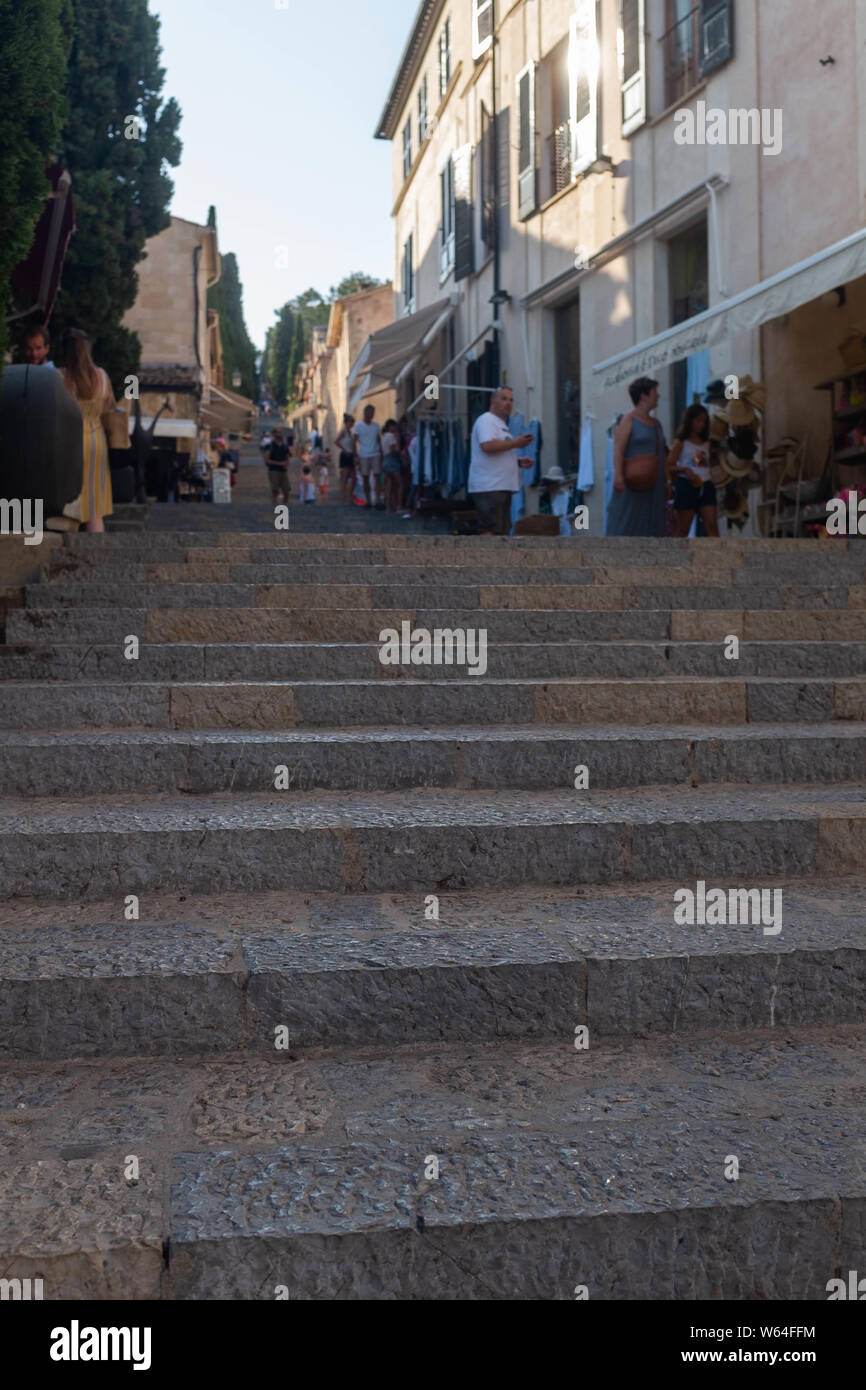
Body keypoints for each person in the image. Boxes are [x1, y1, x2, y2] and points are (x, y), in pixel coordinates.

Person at [58, 328, 114, 533]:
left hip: (70, 442)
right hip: (97, 442)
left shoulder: (60, 377)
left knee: (69, 503)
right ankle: (98, 553)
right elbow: (109, 408)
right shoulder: (102, 376)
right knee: (94, 507)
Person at [467, 385, 535, 535]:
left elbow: (497, 451)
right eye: (503, 399)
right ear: (493, 401)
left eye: (511, 400)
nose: (508, 403)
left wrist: (517, 462)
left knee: (501, 531)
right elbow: (487, 445)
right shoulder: (486, 420)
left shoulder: (501, 424)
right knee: (490, 530)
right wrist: (516, 443)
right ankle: (487, 558)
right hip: (489, 486)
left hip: (501, 486)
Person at [607, 377, 667, 538]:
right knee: (628, 521)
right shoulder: (628, 420)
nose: (658, 396)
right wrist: (618, 476)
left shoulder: (657, 424)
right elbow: (618, 449)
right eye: (655, 392)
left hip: (655, 483)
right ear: (644, 396)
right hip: (633, 482)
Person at [666, 404, 719, 538]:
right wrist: (684, 470)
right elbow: (668, 465)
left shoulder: (707, 443)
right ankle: (675, 556)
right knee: (683, 529)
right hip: (686, 485)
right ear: (690, 421)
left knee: (711, 525)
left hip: (706, 485)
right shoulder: (681, 442)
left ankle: (720, 555)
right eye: (698, 421)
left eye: (704, 421)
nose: (701, 425)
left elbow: (707, 464)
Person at [353, 403, 383, 507]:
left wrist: (381, 453)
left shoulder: (376, 426)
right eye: (370, 412)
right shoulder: (358, 426)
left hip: (375, 453)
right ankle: (368, 500)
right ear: (365, 413)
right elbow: (355, 441)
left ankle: (378, 500)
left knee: (377, 477)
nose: (372, 415)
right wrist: (355, 455)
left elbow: (379, 440)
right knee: (365, 477)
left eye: (373, 413)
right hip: (363, 454)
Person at [264, 426, 291, 504]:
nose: (279, 434)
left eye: (280, 432)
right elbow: (266, 460)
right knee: (275, 491)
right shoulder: (270, 446)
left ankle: (285, 507)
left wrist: (287, 463)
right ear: (274, 434)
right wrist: (279, 463)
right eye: (278, 432)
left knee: (286, 490)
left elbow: (287, 456)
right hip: (273, 471)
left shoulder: (284, 445)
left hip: (283, 471)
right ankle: (274, 507)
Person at [381, 418, 403, 514]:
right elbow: (394, 449)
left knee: (389, 485)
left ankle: (388, 508)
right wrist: (398, 441)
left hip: (386, 460)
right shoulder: (391, 436)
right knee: (400, 484)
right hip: (392, 460)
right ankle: (399, 506)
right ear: (391, 426)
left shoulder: (384, 436)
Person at [336, 413, 357, 504]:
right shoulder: (343, 431)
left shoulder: (350, 433)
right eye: (350, 422)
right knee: (344, 478)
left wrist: (355, 455)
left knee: (354, 478)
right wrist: (344, 450)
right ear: (346, 422)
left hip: (351, 455)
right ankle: (342, 499)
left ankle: (350, 497)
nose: (352, 424)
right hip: (345, 455)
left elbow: (353, 445)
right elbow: (336, 441)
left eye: (353, 422)